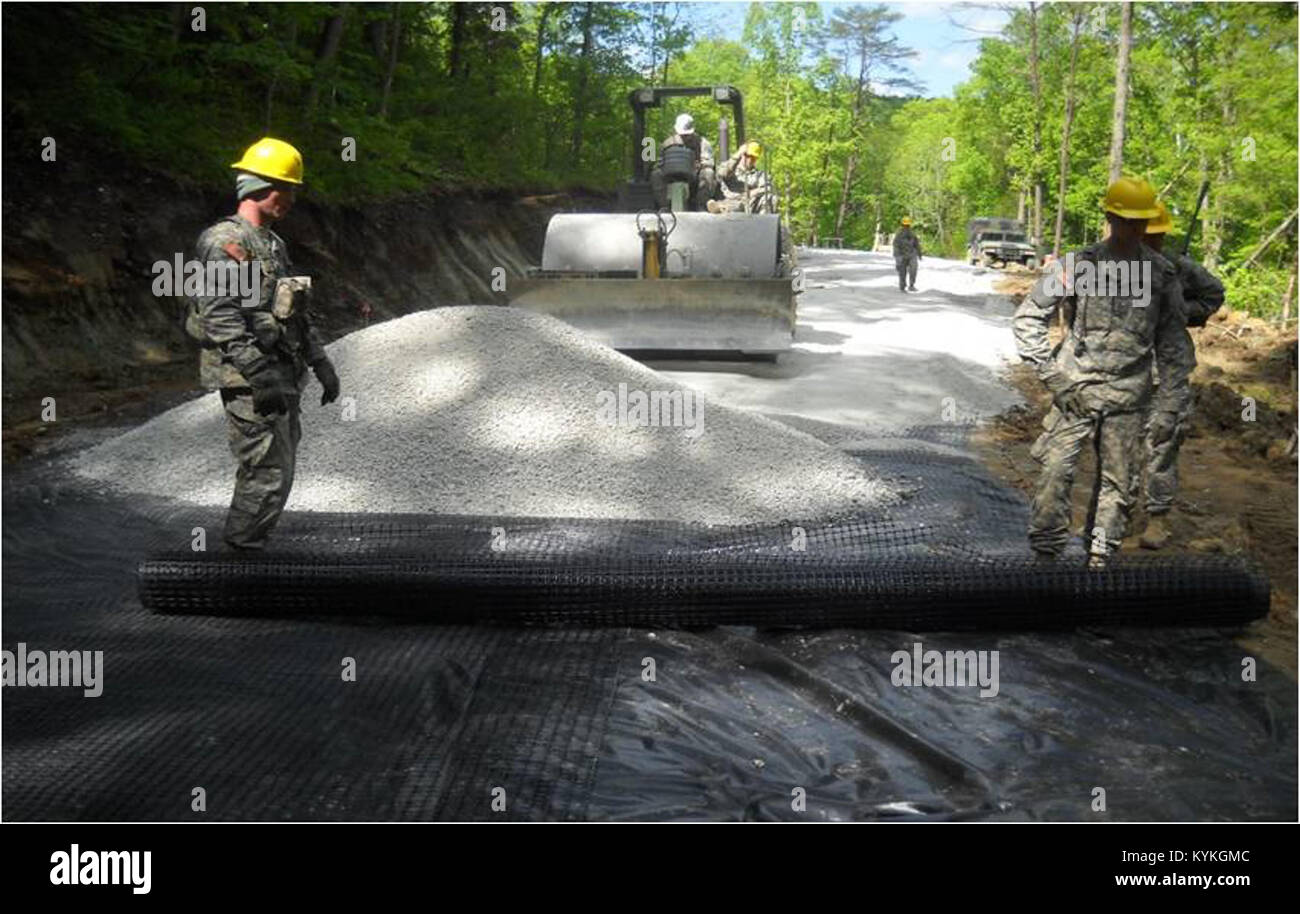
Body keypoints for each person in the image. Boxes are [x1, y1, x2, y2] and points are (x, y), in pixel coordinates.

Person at [1012, 176, 1195, 569]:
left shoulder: (1162, 276)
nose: (1134, 230)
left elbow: (1174, 346)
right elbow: (1028, 318)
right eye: (1127, 221)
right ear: (1111, 217)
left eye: (1141, 223)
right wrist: (1053, 377)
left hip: (1129, 398)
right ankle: (1045, 558)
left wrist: (1170, 404)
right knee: (1055, 472)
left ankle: (1099, 558)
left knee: (1119, 482)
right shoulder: (1077, 266)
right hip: (1074, 390)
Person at [191, 137, 340, 550]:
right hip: (249, 375)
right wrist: (258, 373)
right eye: (286, 188)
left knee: (281, 466)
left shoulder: (273, 245)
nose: (291, 198)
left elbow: (292, 310)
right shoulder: (225, 243)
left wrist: (320, 362)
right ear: (257, 186)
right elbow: (218, 315)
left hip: (280, 369)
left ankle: (251, 544)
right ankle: (241, 556)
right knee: (265, 469)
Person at [1137, 200, 1225, 548]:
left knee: (1163, 442)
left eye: (1157, 235)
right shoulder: (1117, 267)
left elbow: (1214, 293)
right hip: (1124, 371)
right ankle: (1117, 513)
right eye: (1146, 234)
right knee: (1119, 445)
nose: (1151, 241)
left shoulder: (1179, 267)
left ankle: (1157, 518)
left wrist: (1182, 312)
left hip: (1167, 370)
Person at [649, 113, 717, 211]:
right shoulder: (668, 143)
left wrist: (698, 165)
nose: (685, 137)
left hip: (695, 176)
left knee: (708, 173)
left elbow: (709, 163)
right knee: (656, 174)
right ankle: (665, 206)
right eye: (683, 135)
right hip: (670, 175)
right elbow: (659, 163)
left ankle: (702, 205)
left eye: (687, 135)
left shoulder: (702, 143)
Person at [709, 141, 773, 214]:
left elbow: (768, 188)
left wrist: (752, 193)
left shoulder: (760, 175)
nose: (750, 160)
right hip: (731, 200)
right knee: (735, 206)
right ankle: (718, 208)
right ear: (742, 155)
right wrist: (738, 154)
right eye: (748, 156)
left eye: (754, 157)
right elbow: (722, 173)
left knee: (768, 197)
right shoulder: (731, 170)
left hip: (750, 204)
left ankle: (765, 223)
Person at [892, 218, 922, 291]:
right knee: (902, 272)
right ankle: (902, 285)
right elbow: (895, 246)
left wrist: (919, 254)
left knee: (913, 269)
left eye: (907, 225)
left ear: (909, 226)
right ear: (902, 225)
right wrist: (897, 257)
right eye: (905, 225)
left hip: (912, 255)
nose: (906, 227)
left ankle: (911, 285)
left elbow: (917, 244)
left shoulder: (912, 234)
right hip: (902, 255)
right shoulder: (898, 235)